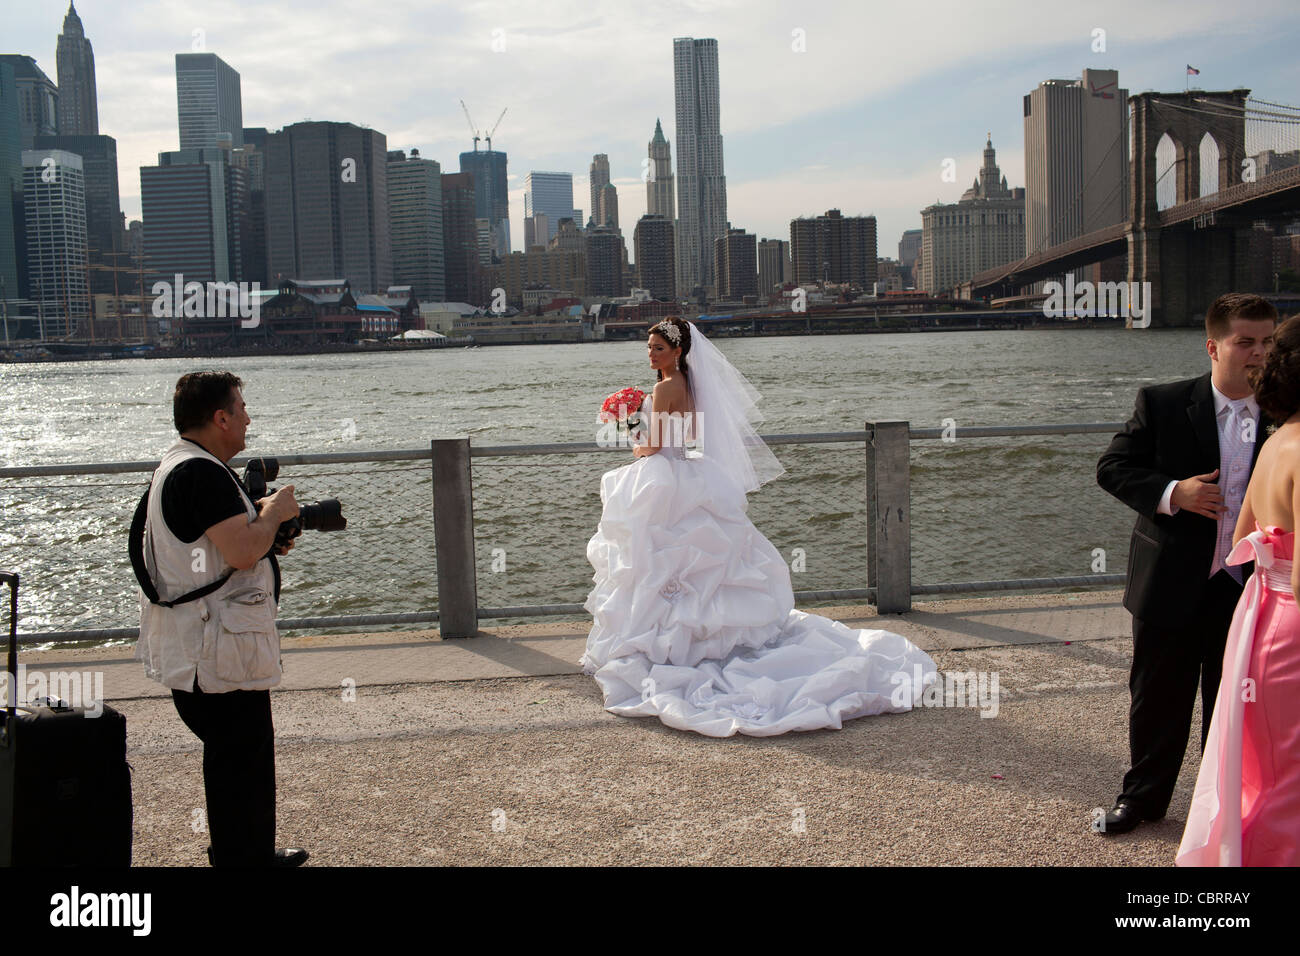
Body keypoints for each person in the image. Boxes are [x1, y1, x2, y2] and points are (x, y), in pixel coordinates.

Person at [580, 317, 936, 737]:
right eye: (649, 347)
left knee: (659, 560)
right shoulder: (691, 386)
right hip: (689, 471)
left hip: (664, 474)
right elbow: (691, 432)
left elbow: (656, 444)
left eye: (659, 347)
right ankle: (706, 639)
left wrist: (632, 438)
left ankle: (671, 645)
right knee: (699, 560)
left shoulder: (663, 387)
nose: (651, 353)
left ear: (678, 351)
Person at [1096, 293, 1278, 834]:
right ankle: (1142, 801)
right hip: (1171, 582)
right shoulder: (1163, 403)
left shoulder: (1289, 414)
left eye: (1268, 341)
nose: (1259, 353)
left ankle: (1227, 804)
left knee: (1238, 704)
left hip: (1249, 588)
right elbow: (1112, 468)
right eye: (1245, 341)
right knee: (1158, 700)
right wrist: (1175, 493)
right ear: (1213, 346)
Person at [131, 371, 309, 867]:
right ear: (220, 417)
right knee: (243, 761)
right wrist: (272, 514)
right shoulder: (202, 473)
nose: (248, 417)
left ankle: (241, 853)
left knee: (234, 763)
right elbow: (241, 549)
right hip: (217, 655)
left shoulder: (177, 466)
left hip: (199, 650)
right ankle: (244, 860)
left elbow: (215, 550)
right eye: (242, 407)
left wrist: (263, 533)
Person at [1177, 313, 1300, 866]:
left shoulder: (1276, 443)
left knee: (1271, 766)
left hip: (1262, 622)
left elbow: (1247, 537)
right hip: (1294, 625)